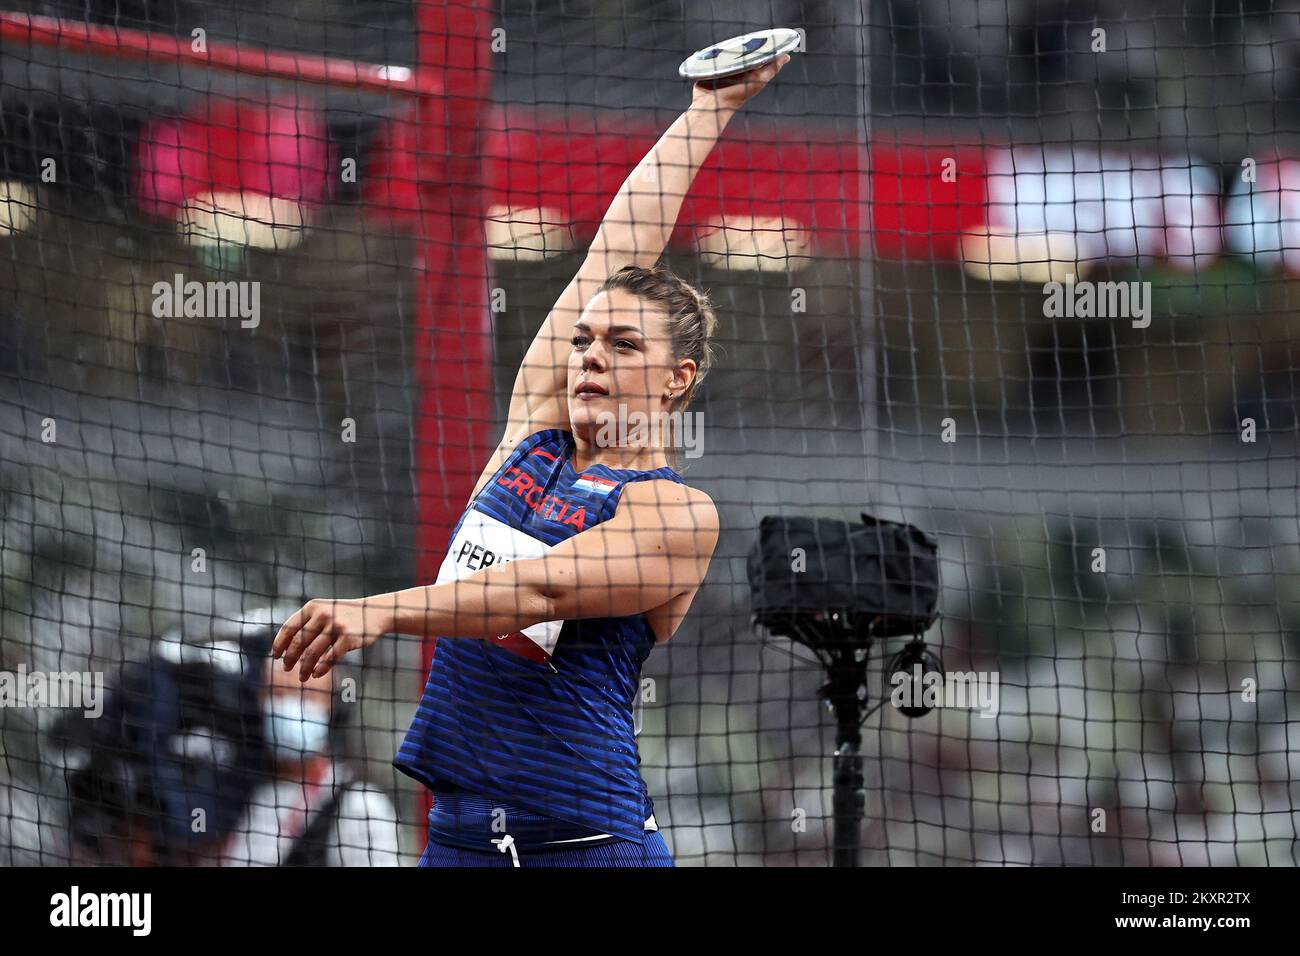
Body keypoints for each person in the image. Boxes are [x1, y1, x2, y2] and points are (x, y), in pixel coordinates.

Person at [273, 54, 789, 867]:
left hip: (582, 846)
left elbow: (542, 587)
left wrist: (380, 611)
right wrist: (705, 111)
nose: (589, 356)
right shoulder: (532, 440)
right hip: (459, 839)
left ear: (678, 379)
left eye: (623, 346)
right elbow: (613, 253)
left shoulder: (674, 513)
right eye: (583, 341)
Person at [219, 657, 400, 866]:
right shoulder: (238, 793)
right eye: (278, 694)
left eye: (306, 695)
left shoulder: (361, 807)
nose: (290, 706)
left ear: (333, 707)